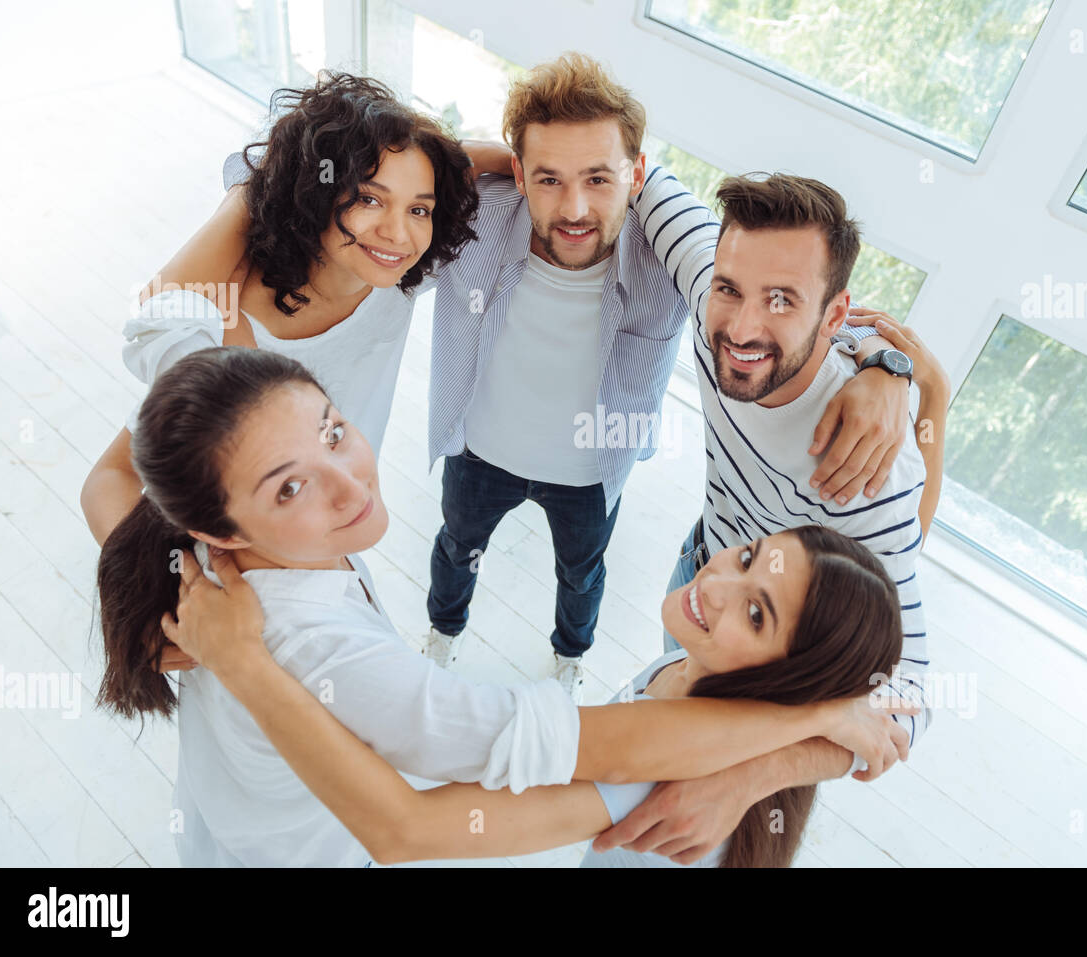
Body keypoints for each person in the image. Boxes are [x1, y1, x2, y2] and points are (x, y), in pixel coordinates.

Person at [200, 54, 912, 702]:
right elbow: (307, 175)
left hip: (591, 475)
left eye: (599, 179)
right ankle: (441, 637)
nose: (573, 209)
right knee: (455, 551)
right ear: (518, 171)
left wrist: (885, 363)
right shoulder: (473, 217)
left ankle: (570, 655)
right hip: (478, 452)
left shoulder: (667, 250)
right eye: (549, 178)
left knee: (582, 578)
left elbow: (756, 297)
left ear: (637, 176)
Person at [95, 346, 916, 867]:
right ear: (209, 522)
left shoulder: (217, 557)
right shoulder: (305, 640)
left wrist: (803, 738)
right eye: (292, 484)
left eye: (335, 431)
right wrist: (818, 719)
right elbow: (417, 823)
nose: (352, 482)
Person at [162, 509, 911, 866]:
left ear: (789, 677)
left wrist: (246, 663)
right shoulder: (684, 674)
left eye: (755, 611)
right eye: (748, 555)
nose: (714, 581)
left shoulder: (666, 782)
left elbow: (405, 832)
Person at [588, 170, 953, 863]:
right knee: (640, 742)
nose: (743, 327)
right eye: (732, 289)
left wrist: (749, 774)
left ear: (835, 313)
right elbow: (633, 166)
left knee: (679, 833)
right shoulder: (708, 293)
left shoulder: (870, 461)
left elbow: (910, 698)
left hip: (776, 659)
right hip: (705, 567)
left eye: (782, 300)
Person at [80, 71, 479, 570]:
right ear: (314, 193)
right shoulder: (228, 321)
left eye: (419, 208)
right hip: (257, 558)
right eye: (369, 199)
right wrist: (183, 591)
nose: (398, 232)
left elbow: (489, 168)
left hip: (336, 524)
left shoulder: (399, 273)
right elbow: (111, 475)